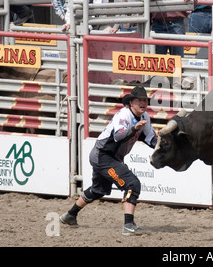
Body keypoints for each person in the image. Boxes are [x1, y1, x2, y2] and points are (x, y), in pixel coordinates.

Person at [60, 86, 157, 235]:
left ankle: (70, 215)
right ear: (131, 102)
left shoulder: (144, 117)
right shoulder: (123, 115)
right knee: (132, 184)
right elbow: (118, 136)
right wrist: (134, 129)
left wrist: (165, 147)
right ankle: (128, 225)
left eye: (145, 100)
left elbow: (151, 138)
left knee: (99, 190)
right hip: (103, 156)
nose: (143, 103)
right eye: (139, 101)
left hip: (108, 156)